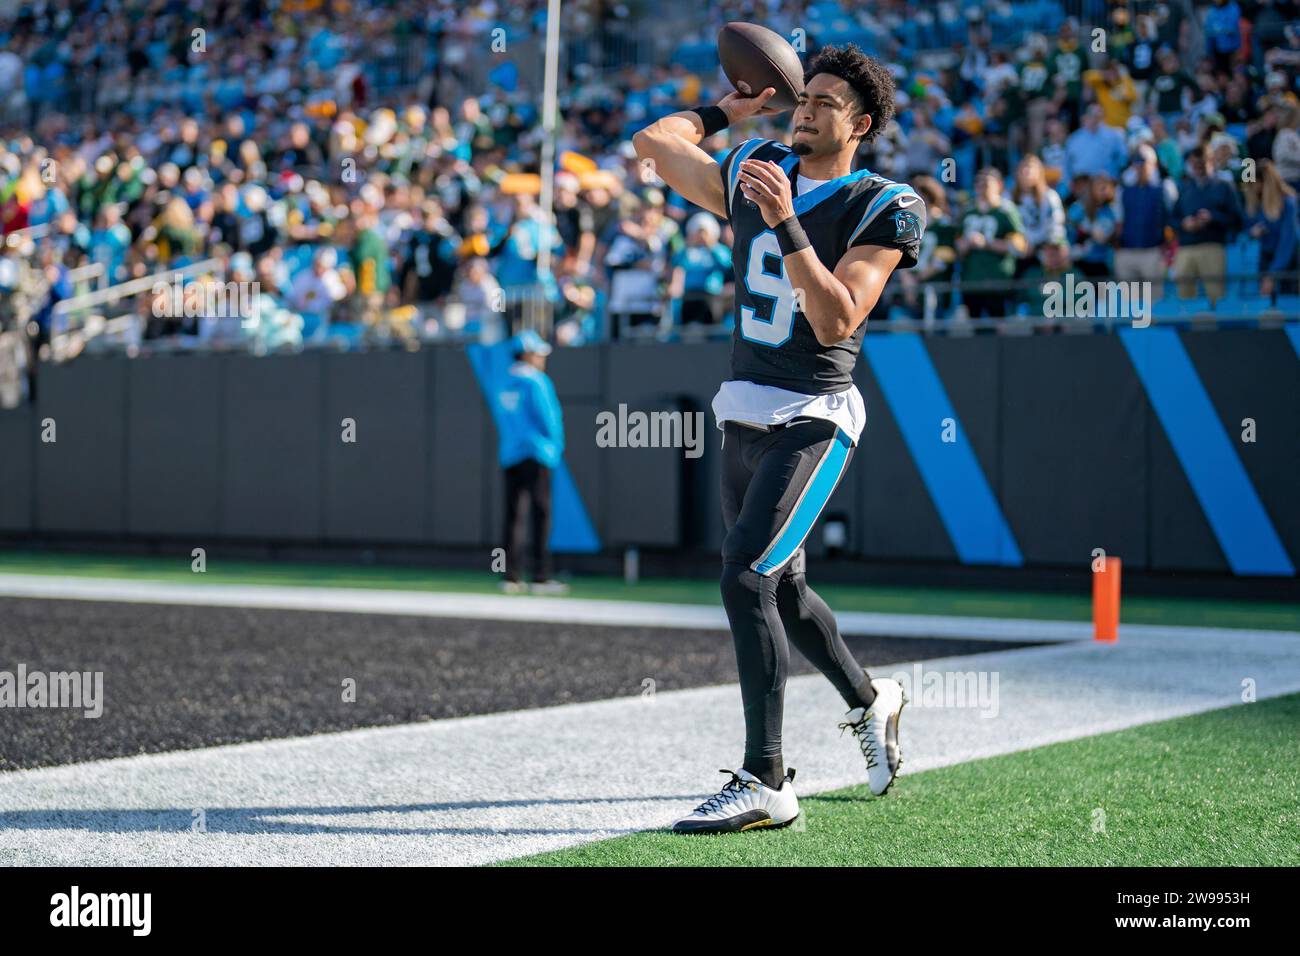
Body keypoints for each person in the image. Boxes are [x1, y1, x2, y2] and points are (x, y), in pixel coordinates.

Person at [634, 44, 921, 834]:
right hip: (746, 408)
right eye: (804, 95)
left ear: (859, 125)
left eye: (826, 102)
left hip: (815, 415)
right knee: (783, 589)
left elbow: (835, 319)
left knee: (743, 576)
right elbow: (654, 145)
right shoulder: (760, 160)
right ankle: (872, 700)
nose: (806, 107)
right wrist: (728, 110)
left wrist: (786, 221)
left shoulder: (883, 201)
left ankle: (767, 780)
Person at [496, 330, 566, 596]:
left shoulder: (504, 383)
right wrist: (555, 447)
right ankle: (540, 575)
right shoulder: (537, 382)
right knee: (541, 514)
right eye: (538, 353)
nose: (542, 359)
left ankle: (510, 575)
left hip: (511, 454)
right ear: (527, 353)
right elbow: (549, 419)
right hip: (537, 453)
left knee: (513, 516)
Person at [1172, 144, 1243, 303]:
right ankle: (1187, 327)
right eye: (1193, 163)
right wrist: (1184, 224)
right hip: (1186, 248)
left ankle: (1214, 327)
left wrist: (1213, 217)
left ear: (1210, 161)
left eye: (1201, 162)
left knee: (1215, 297)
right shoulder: (1185, 188)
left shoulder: (1224, 187)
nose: (1197, 166)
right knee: (1184, 298)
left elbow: (1237, 220)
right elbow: (1173, 219)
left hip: (1212, 246)